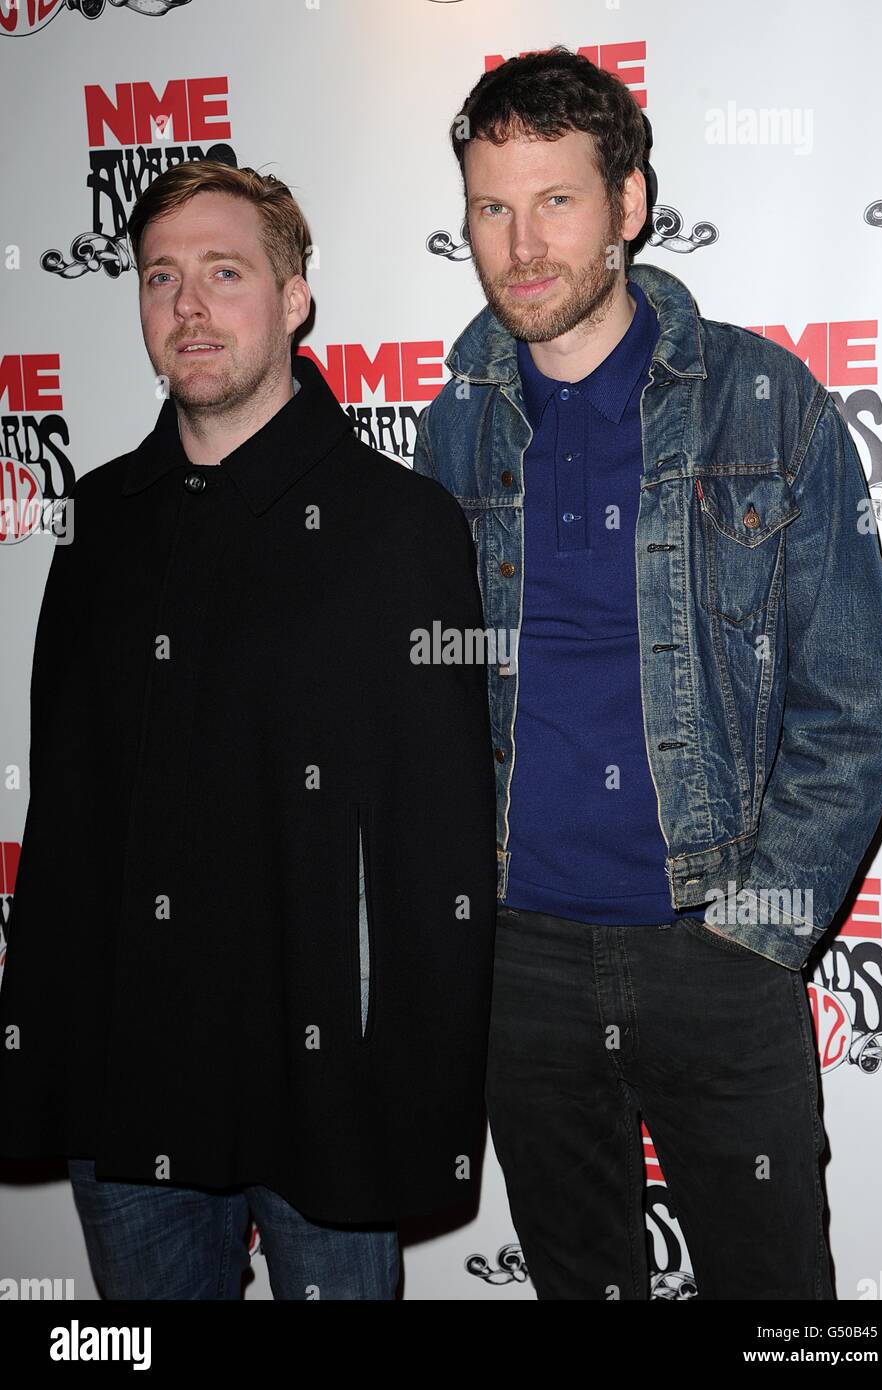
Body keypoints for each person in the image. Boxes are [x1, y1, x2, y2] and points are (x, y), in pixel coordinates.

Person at [413, 48, 882, 1300]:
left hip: (715, 951)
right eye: (491, 205)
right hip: (518, 960)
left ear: (630, 203)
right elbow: (428, 691)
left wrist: (756, 935)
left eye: (556, 200)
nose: (520, 244)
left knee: (777, 1300)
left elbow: (852, 707)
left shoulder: (762, 400)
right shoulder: (454, 423)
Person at [0, 160, 498, 1300]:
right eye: (160, 277)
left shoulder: (398, 527)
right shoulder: (99, 526)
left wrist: (411, 1090)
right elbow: (68, 815)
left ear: (294, 297)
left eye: (224, 273)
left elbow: (442, 836)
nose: (188, 306)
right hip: (131, 1083)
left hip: (329, 1087)